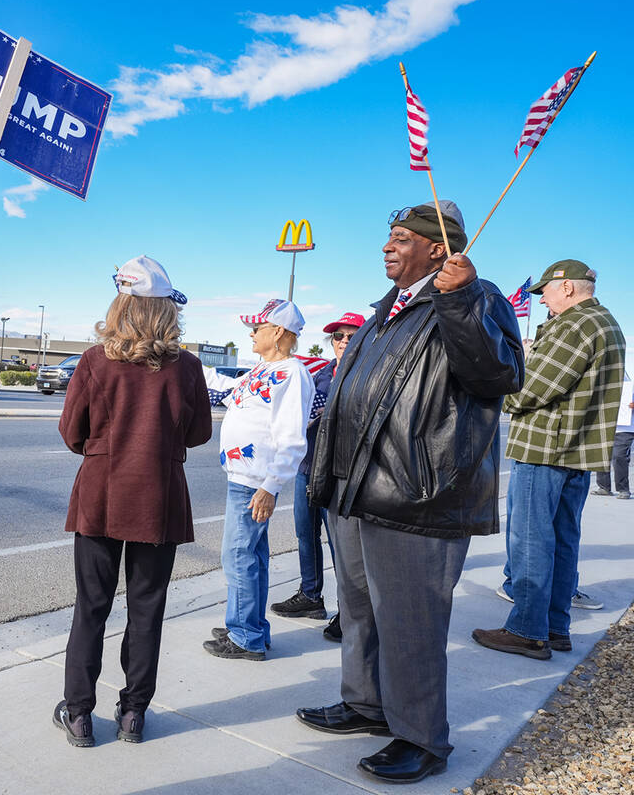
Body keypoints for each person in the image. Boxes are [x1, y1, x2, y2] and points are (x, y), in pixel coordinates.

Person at [296, 201, 523, 784]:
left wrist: (461, 299)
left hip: (417, 493)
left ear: (438, 249)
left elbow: (498, 376)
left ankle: (421, 738)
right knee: (361, 609)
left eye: (401, 237)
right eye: (388, 236)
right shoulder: (385, 310)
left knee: (410, 622)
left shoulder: (476, 298)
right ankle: (366, 704)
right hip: (357, 487)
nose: (387, 246)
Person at [53, 256, 212, 747]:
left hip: (102, 492)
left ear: (120, 303)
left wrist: (102, 448)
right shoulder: (185, 366)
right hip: (158, 496)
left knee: (91, 607)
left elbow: (71, 431)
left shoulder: (95, 360)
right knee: (147, 609)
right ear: (165, 310)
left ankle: (79, 713)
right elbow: (201, 431)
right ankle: (133, 712)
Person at [473, 260, 626, 660]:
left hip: (545, 449)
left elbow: (529, 388)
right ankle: (554, 627)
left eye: (547, 291)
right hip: (576, 451)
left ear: (569, 289)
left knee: (530, 540)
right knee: (561, 540)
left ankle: (527, 629)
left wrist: (490, 387)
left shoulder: (574, 324)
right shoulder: (606, 323)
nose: (541, 299)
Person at [201, 299, 314, 661]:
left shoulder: (292, 374)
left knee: (238, 556)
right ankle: (248, 625)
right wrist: (187, 362)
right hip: (244, 477)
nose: (251, 334)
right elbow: (223, 387)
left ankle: (245, 635)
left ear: (278, 332)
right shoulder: (263, 369)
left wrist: (270, 485)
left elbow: (293, 438)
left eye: (258, 328)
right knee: (250, 556)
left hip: (255, 482)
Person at [270, 311, 365, 642]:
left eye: (352, 337)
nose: (343, 342)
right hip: (307, 466)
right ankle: (310, 596)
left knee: (342, 545)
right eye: (338, 337)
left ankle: (349, 611)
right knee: (305, 534)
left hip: (340, 472)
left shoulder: (367, 375)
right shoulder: (321, 372)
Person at [593, 373, 633, 499]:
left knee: (619, 456)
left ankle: (623, 489)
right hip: (606, 426)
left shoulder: (630, 386)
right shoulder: (602, 387)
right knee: (601, 455)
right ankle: (604, 487)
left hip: (625, 428)